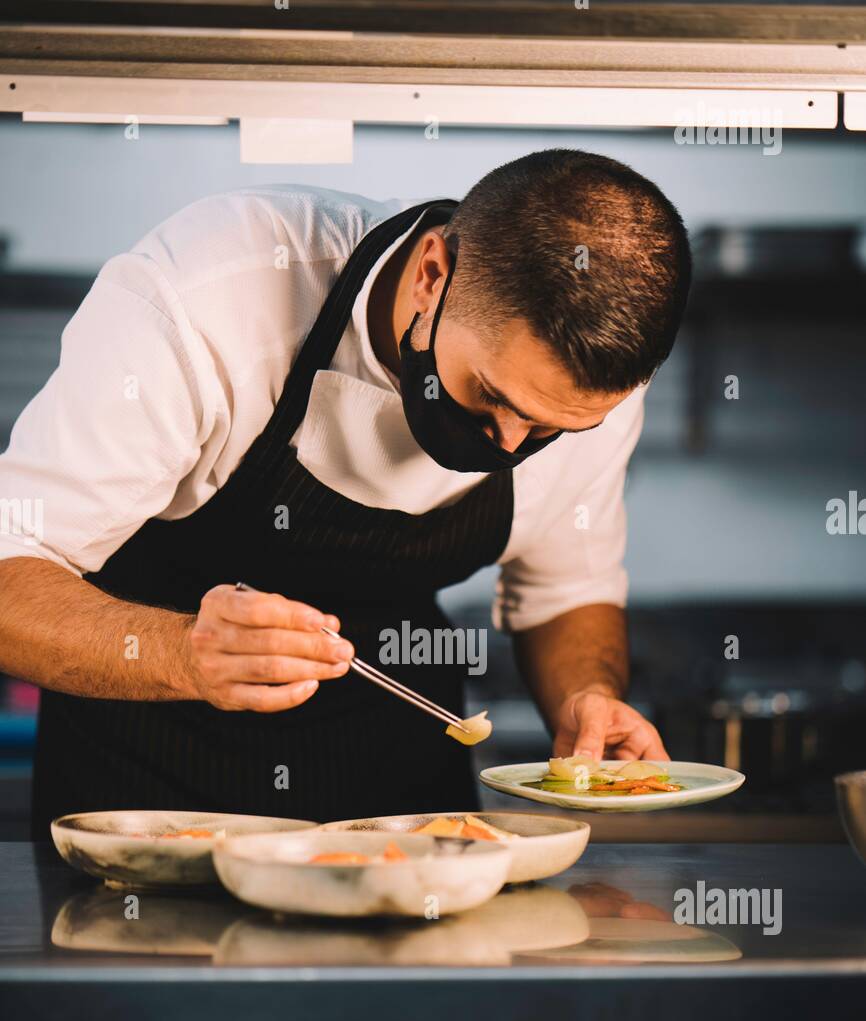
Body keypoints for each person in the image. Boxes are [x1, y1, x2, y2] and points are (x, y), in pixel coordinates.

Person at [0, 149, 691, 835]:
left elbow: (566, 590)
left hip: (399, 812)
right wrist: (180, 651)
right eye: (488, 397)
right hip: (150, 795)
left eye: (554, 427)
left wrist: (587, 697)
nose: (510, 444)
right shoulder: (209, 295)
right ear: (431, 276)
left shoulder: (591, 385)